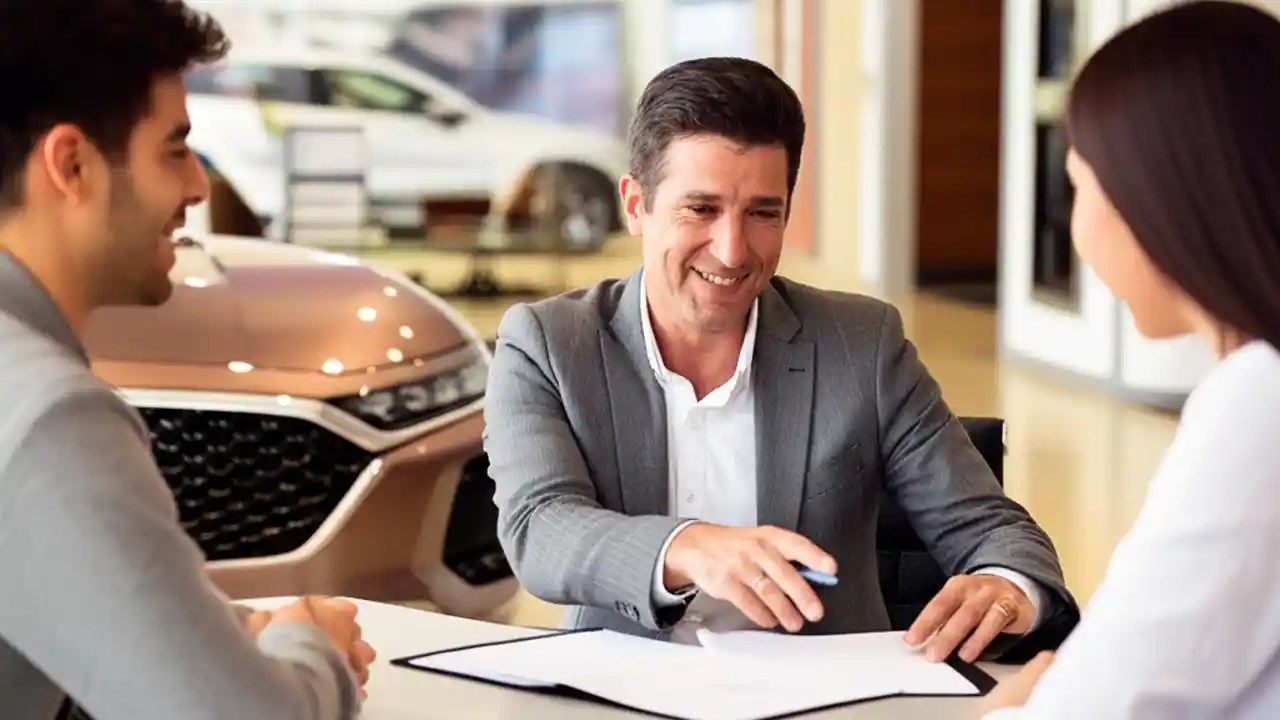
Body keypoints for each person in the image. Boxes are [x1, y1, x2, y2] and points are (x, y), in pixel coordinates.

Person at [484, 56, 1078, 663]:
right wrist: (687, 547)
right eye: (701, 209)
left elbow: (994, 530)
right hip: (620, 687)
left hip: (826, 701)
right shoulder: (547, 343)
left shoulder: (862, 343)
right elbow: (540, 526)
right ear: (636, 205)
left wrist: (1008, 584)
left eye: (763, 213)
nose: (733, 249)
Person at [0, 1, 373, 718]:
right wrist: (310, 646)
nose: (199, 187)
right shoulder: (48, 412)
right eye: (174, 148)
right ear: (72, 165)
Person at [981, 2, 1280, 716]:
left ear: (1159, 196)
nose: (1077, 225)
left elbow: (1110, 701)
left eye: (1079, 185)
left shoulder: (1257, 403)